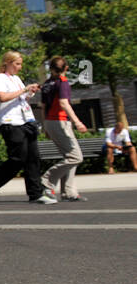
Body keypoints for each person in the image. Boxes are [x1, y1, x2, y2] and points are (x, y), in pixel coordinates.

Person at [0, 50, 55, 204]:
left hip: (27, 121)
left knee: (33, 158)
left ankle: (35, 194)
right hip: (10, 123)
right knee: (18, 159)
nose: (20, 67)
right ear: (8, 63)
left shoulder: (16, 79)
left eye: (20, 64)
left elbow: (21, 99)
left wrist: (29, 92)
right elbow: (2, 97)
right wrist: (24, 89)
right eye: (17, 64)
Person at [39, 56, 88, 201]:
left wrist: (45, 127)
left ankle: (68, 192)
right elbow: (64, 103)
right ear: (66, 68)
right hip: (60, 122)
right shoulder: (63, 82)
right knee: (76, 157)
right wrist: (77, 122)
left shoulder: (47, 84)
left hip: (49, 122)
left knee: (70, 156)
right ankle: (47, 181)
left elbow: (42, 107)